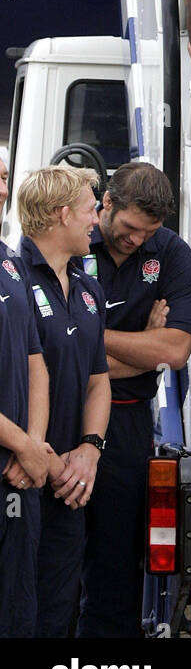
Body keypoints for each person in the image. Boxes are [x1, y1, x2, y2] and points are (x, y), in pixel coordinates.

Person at [76, 162, 191, 639]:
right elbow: (50, 346)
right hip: (63, 416)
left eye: (148, 233)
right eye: (129, 229)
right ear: (106, 203)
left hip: (127, 426)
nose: (136, 240)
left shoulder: (170, 251)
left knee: (117, 570)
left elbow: (174, 349)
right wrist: (139, 346)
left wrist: (87, 339)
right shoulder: (71, 235)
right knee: (56, 562)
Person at [16, 167, 111, 638]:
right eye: (92, 208)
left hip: (70, 483)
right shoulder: (10, 284)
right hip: (18, 479)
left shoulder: (90, 288)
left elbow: (99, 380)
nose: (98, 219)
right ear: (63, 214)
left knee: (57, 613)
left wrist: (90, 451)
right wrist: (42, 459)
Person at [0, 155, 51, 637]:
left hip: (18, 476)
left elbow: (36, 360)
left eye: (1, 179)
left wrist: (32, 443)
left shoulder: (10, 264)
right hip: (17, 457)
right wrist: (26, 445)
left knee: (18, 612)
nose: (0, 190)